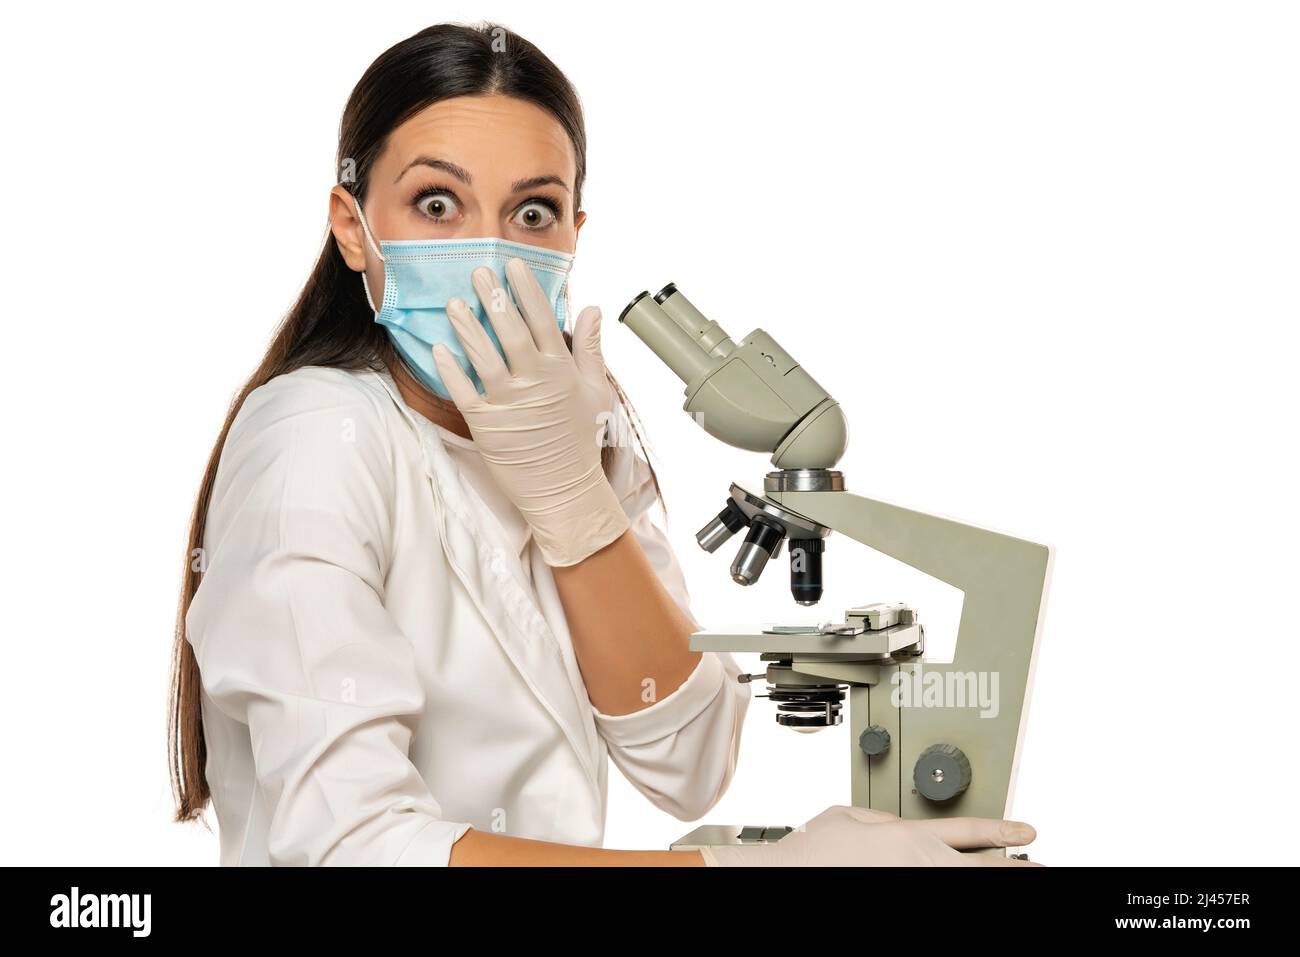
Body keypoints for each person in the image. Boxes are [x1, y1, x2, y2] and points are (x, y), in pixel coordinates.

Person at [167, 21, 1040, 867]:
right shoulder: (316, 437)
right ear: (354, 225)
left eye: (533, 211)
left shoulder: (577, 418)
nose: (490, 254)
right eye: (438, 205)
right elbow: (349, 850)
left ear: (576, 232)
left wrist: (575, 501)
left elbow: (691, 761)